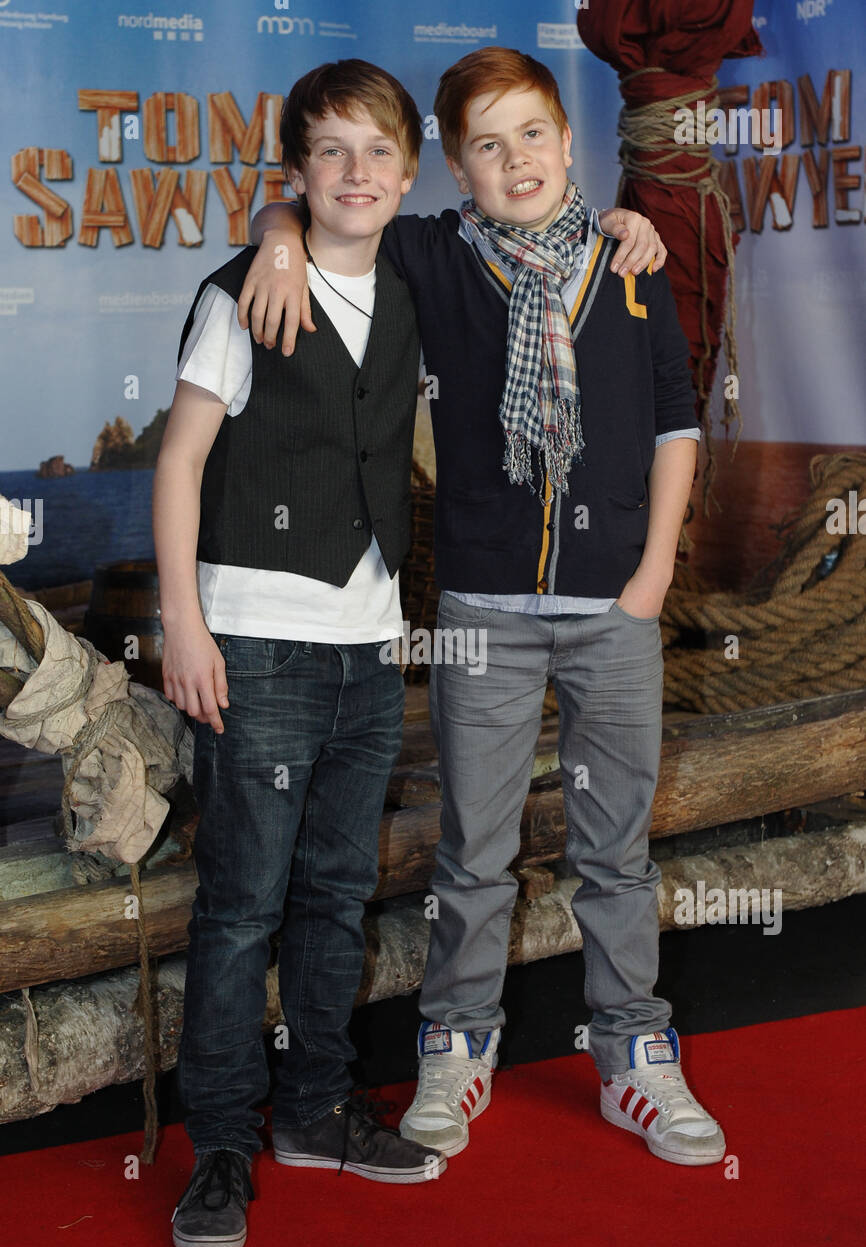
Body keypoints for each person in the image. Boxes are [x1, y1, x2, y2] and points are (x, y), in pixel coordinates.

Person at [241, 46, 724, 1169]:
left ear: (569, 140)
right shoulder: (430, 256)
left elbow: (673, 418)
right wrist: (275, 233)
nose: (515, 159)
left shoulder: (631, 258)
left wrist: (651, 570)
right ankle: (457, 1041)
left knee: (614, 852)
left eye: (533, 134)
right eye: (486, 144)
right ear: (453, 165)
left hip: (615, 605)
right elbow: (318, 204)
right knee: (474, 850)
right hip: (483, 611)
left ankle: (632, 1054)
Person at [152, 59, 448, 1247]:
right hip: (254, 640)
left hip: (366, 642)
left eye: (376, 150)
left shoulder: (422, 274)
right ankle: (218, 1142)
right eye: (327, 152)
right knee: (238, 910)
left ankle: (317, 1108)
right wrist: (182, 622)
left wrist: (634, 219)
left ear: (408, 170)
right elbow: (176, 463)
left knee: (333, 893)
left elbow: (527, 217)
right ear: (294, 173)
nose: (355, 172)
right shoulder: (240, 291)